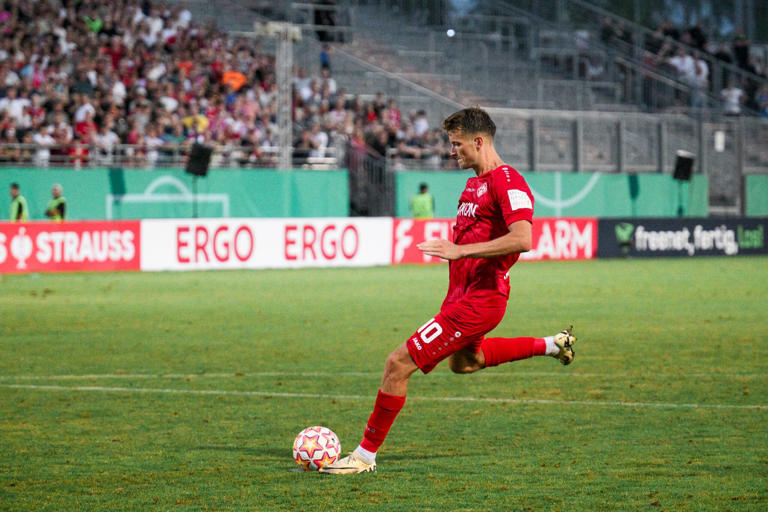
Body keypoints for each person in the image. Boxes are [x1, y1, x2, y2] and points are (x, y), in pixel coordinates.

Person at [320, 107, 577, 474]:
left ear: (478, 141)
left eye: (457, 145)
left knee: (397, 364)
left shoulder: (510, 182)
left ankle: (363, 457)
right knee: (465, 363)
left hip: (479, 302)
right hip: (460, 296)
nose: (452, 151)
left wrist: (461, 250)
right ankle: (554, 344)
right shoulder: (473, 183)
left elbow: (523, 239)